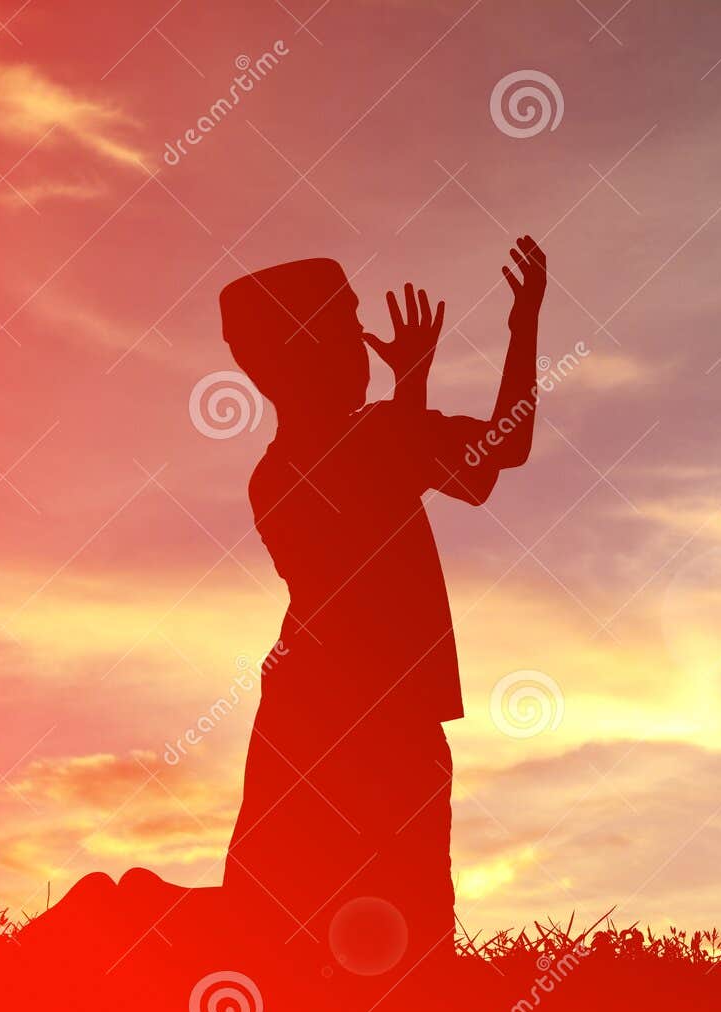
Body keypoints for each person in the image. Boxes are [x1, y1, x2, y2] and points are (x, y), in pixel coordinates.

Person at [217, 238, 548, 969]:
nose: (362, 340)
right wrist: (511, 329)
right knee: (369, 920)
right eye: (345, 324)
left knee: (328, 922)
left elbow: (476, 461)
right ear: (299, 354)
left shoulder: (302, 462)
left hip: (338, 711)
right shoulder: (339, 451)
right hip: (357, 719)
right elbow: (482, 454)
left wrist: (420, 387)